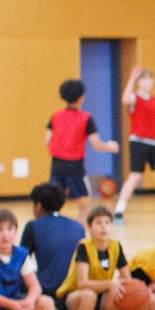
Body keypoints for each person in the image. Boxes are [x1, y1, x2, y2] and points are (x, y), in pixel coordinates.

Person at [46, 79, 119, 219]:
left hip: (56, 164)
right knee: (84, 202)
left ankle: (56, 227)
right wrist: (108, 146)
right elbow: (96, 144)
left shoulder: (55, 116)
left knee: (54, 202)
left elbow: (47, 141)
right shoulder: (86, 118)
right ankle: (80, 231)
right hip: (74, 166)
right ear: (81, 97)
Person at [118, 65, 155, 225]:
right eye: (144, 79)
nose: (148, 82)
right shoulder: (134, 97)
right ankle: (118, 211)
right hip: (138, 142)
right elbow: (124, 100)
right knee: (134, 176)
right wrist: (131, 79)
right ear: (139, 82)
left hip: (154, 143)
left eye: (150, 78)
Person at [21, 183, 86, 302]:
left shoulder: (33, 226)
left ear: (38, 206)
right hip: (75, 289)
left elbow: (21, 262)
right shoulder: (78, 226)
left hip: (47, 290)